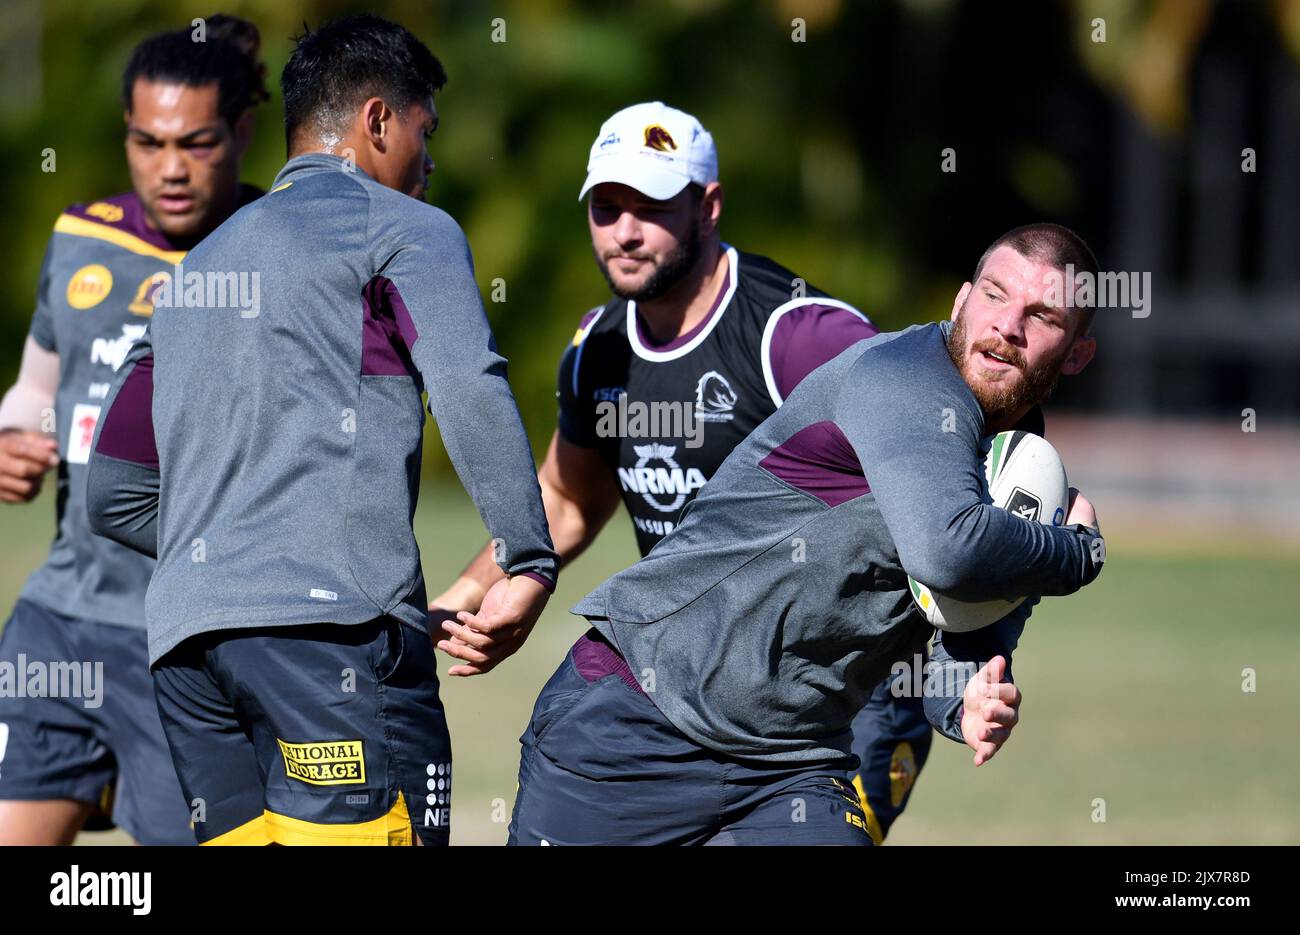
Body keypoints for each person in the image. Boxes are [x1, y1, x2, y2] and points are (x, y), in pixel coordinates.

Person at [434, 102, 1025, 841]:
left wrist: (962, 666)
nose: (624, 231)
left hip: (842, 700)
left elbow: (941, 457)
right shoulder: (598, 350)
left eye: (651, 207)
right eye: (607, 207)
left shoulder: (797, 334)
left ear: (708, 206)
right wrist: (464, 597)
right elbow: (567, 496)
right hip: (690, 686)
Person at [86, 13, 557, 846]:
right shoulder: (403, 228)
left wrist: (233, 548)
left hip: (188, 661)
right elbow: (466, 383)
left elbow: (113, 492)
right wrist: (528, 557)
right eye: (425, 130)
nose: (432, 158)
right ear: (378, 120)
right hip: (333, 644)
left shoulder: (196, 270)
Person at [507, 223, 1106, 845]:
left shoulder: (1021, 469)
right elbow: (949, 552)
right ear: (961, 300)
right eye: (994, 294)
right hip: (634, 723)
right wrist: (1078, 554)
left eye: (1042, 316)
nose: (1007, 326)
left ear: (1077, 352)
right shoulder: (902, 380)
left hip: (789, 767)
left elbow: (966, 618)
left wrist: (969, 699)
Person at [0, 14, 268, 846]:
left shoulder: (280, 256)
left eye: (197, 142)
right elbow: (36, 389)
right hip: (61, 621)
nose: (172, 168)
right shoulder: (82, 238)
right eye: (148, 143)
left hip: (193, 644)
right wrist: (12, 441)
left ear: (243, 131)